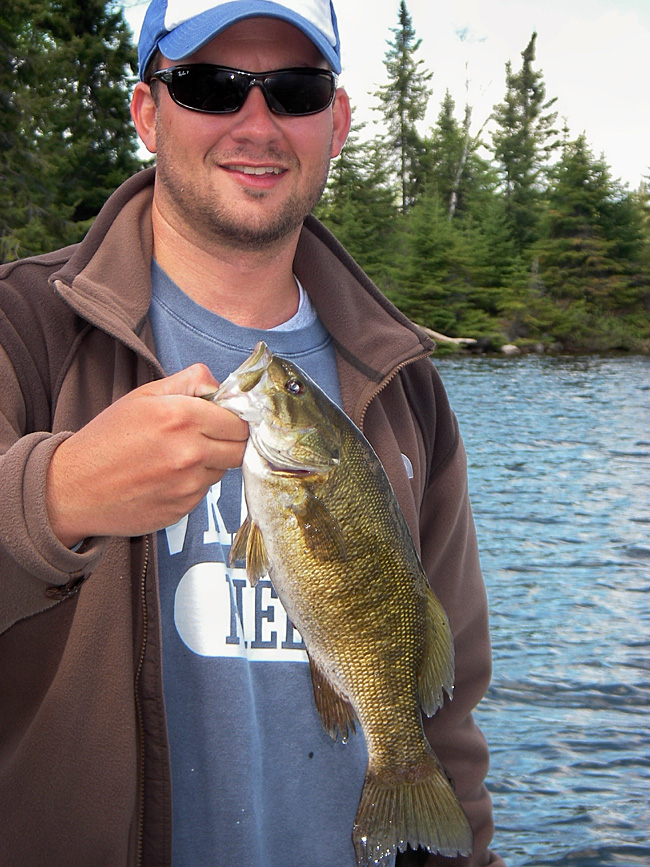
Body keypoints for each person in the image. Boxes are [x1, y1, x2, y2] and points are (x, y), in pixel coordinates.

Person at [0, 1, 503, 864]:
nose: (257, 123)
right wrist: (53, 495)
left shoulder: (407, 388)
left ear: (336, 122)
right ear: (147, 112)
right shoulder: (23, 330)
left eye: (296, 90)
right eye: (210, 86)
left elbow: (447, 714)